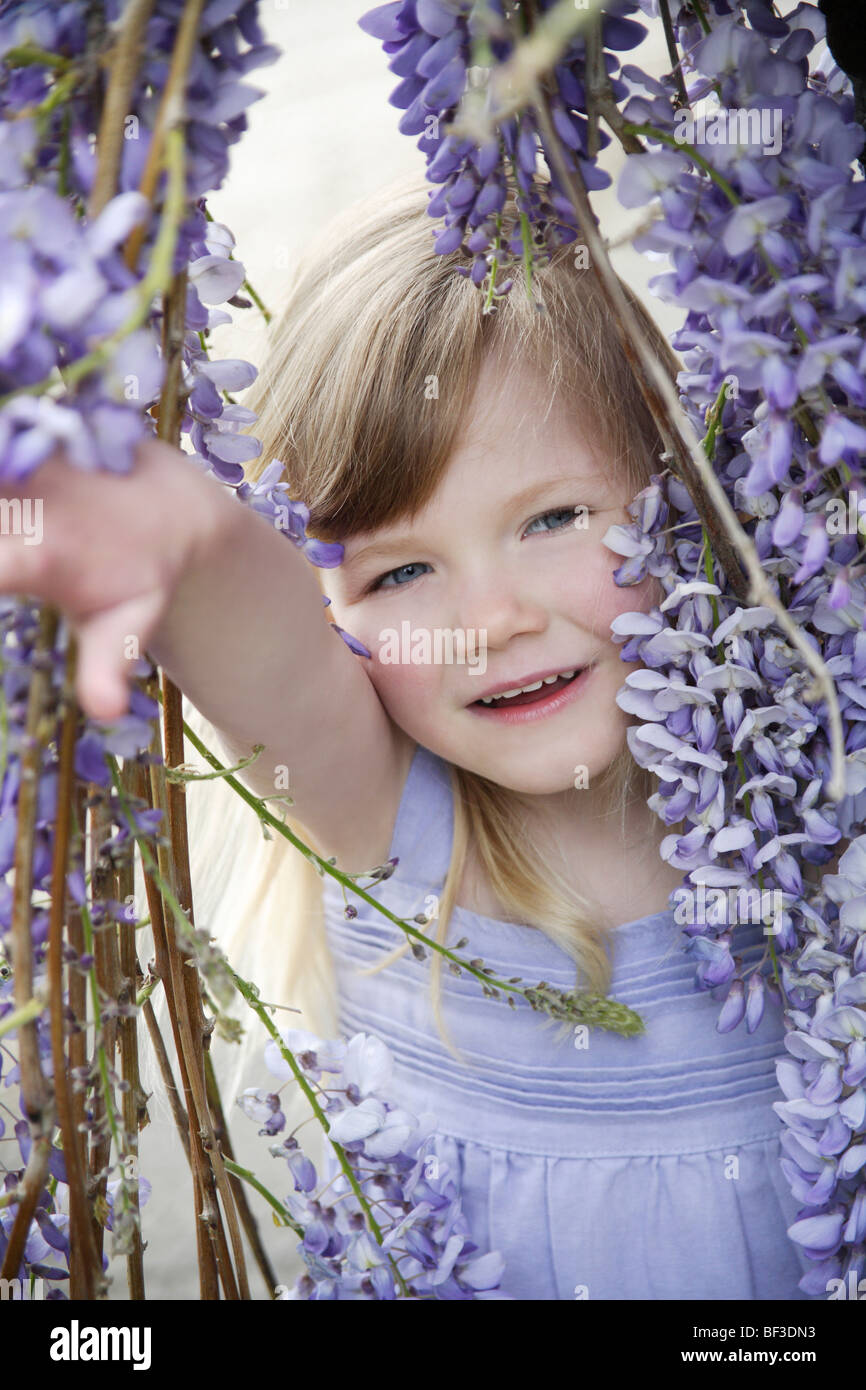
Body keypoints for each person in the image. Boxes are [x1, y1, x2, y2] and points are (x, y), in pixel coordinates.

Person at [0, 168, 811, 1300]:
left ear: (679, 489)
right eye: (401, 570)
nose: (490, 620)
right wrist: (181, 540)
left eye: (554, 517)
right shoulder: (391, 828)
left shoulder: (802, 786)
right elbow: (262, 637)